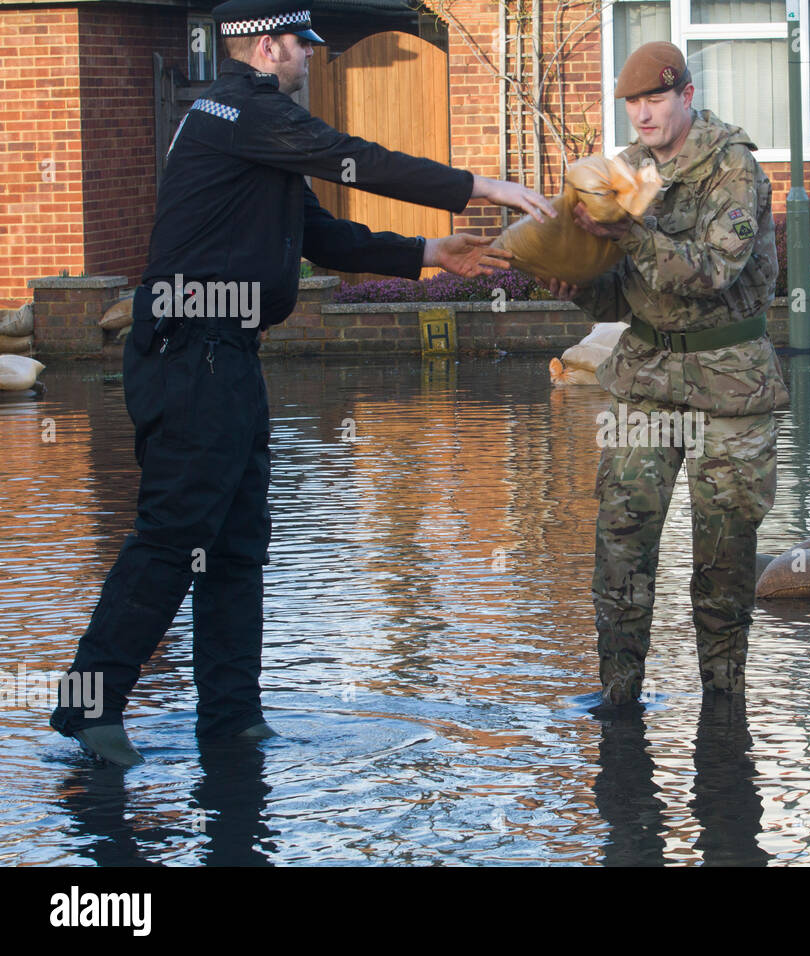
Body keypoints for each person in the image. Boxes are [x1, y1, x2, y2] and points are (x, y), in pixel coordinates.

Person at [50, 0, 554, 767]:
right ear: (266, 46)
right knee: (174, 535)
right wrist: (486, 185)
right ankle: (88, 707)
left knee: (237, 545)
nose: (312, 57)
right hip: (190, 352)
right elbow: (360, 156)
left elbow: (322, 236)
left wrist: (431, 252)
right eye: (302, 44)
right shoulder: (239, 111)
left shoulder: (250, 129)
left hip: (228, 354)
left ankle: (231, 717)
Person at [545, 41, 787, 706]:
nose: (644, 115)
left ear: (685, 96)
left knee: (722, 555)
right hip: (647, 380)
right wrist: (568, 273)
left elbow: (712, 274)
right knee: (620, 540)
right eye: (633, 103)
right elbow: (617, 296)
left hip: (730, 385)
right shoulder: (627, 172)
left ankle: (723, 700)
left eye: (655, 99)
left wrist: (624, 231)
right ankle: (617, 696)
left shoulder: (734, 168)